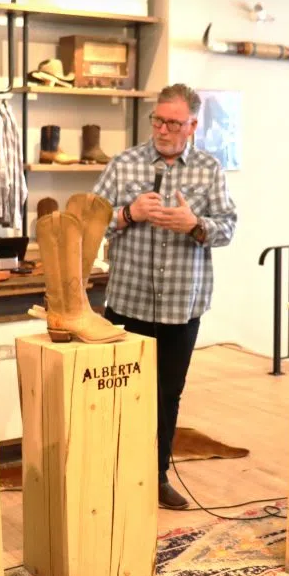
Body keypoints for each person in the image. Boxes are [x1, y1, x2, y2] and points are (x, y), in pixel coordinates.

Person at [92, 83, 237, 510]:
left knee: (167, 393)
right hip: (128, 299)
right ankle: (113, 474)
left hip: (181, 303)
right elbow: (89, 220)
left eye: (173, 123)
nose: (162, 130)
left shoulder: (209, 169)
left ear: (192, 126)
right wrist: (128, 213)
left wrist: (196, 225)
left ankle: (155, 476)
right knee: (119, 392)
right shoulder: (124, 163)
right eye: (158, 120)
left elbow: (228, 227)